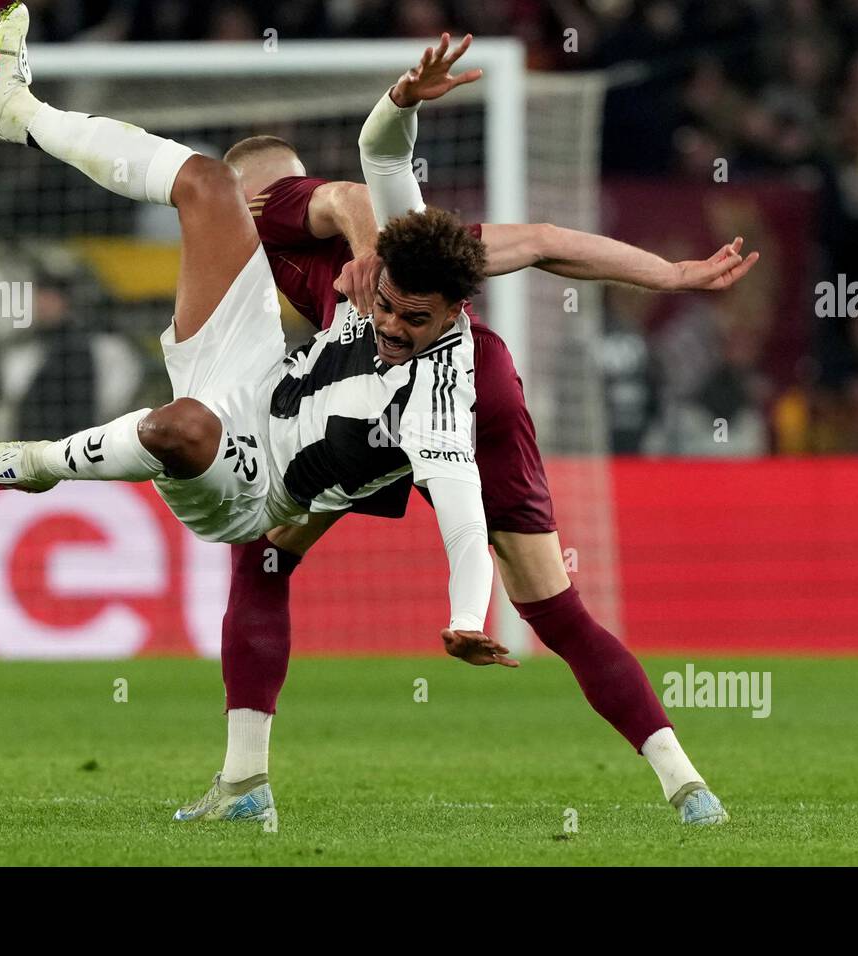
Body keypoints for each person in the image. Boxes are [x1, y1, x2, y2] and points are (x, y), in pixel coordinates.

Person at [0, 4, 503, 823]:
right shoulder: (401, 268)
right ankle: (13, 109)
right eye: (385, 305)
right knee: (208, 182)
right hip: (257, 373)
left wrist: (464, 618)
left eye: (412, 322)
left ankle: (32, 465)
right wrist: (402, 98)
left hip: (258, 486)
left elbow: (463, 519)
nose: (388, 326)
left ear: (454, 315)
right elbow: (383, 152)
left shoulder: (441, 403)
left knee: (181, 428)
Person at [212, 35, 754, 825]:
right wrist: (671, 274)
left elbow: (350, 193)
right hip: (479, 384)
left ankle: (244, 785)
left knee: (262, 559)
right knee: (556, 610)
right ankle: (687, 786)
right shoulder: (420, 254)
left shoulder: (266, 209)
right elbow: (542, 242)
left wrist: (371, 247)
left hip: (380, 401)